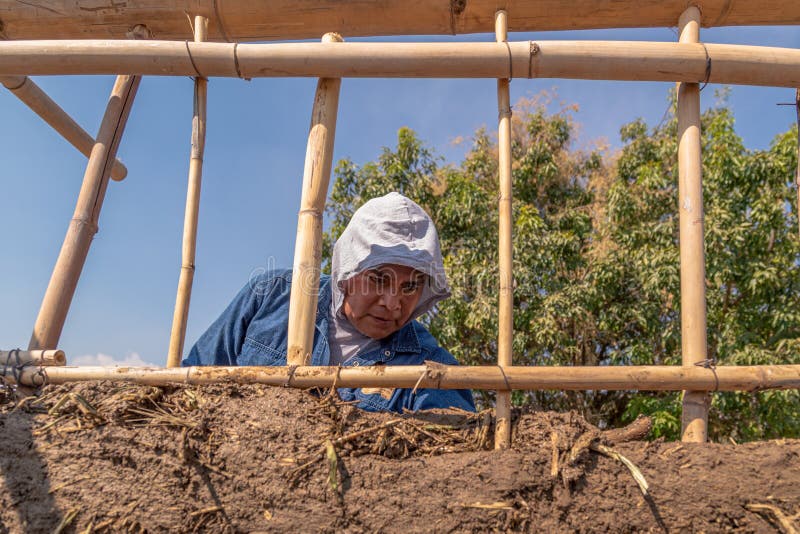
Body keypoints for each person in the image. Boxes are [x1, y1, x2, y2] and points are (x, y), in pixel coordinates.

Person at [183, 192, 475, 413]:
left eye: (410, 287)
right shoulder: (271, 297)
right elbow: (189, 382)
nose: (392, 303)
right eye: (378, 279)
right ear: (347, 269)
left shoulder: (430, 371)